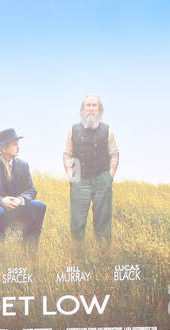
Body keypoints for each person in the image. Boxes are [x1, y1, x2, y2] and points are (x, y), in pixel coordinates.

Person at [0, 128, 47, 250]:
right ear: (3, 148)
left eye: (18, 144)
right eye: (14, 144)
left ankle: (29, 247)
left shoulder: (23, 165)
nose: (18, 147)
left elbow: (32, 190)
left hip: (17, 207)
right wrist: (1, 201)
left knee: (40, 206)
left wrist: (20, 199)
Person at [64, 94, 119, 243]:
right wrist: (71, 176)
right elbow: (67, 154)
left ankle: (103, 258)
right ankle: (77, 258)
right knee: (77, 223)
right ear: (82, 109)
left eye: (94, 105)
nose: (91, 109)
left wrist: (109, 177)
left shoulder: (108, 130)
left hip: (102, 177)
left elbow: (114, 155)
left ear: (100, 109)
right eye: (88, 105)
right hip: (79, 178)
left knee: (103, 223)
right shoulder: (73, 129)